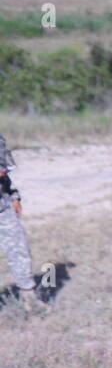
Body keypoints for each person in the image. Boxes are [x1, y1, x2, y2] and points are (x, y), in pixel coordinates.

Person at [0, 134, 43, 315]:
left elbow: (4, 170)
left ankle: (30, 300)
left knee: (20, 249)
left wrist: (14, 195)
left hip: (3, 206)